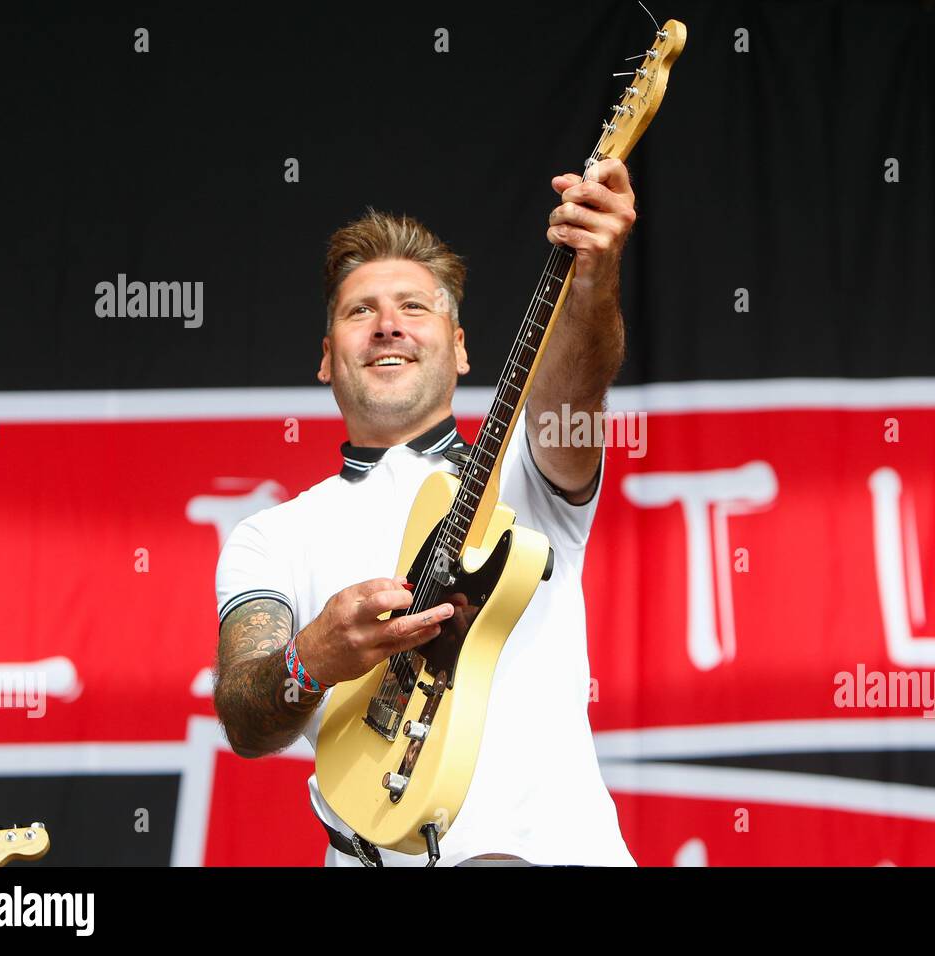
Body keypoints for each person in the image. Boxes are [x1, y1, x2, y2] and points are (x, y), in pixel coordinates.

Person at [212, 159, 638, 866]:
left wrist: (593, 277)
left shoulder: (530, 477)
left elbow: (577, 397)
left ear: (462, 347)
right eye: (359, 312)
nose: (388, 326)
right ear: (326, 359)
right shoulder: (270, 535)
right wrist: (311, 659)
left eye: (415, 307)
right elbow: (244, 719)